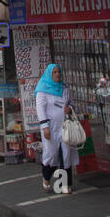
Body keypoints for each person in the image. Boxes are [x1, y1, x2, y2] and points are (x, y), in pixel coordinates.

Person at [35, 63, 78, 194]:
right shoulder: (42, 90)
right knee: (51, 154)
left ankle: (65, 185)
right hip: (51, 127)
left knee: (66, 155)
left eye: (59, 72)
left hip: (65, 126)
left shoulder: (64, 88)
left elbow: (71, 103)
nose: (57, 74)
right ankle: (46, 177)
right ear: (49, 74)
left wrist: (69, 109)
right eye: (54, 72)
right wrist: (44, 127)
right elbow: (40, 109)